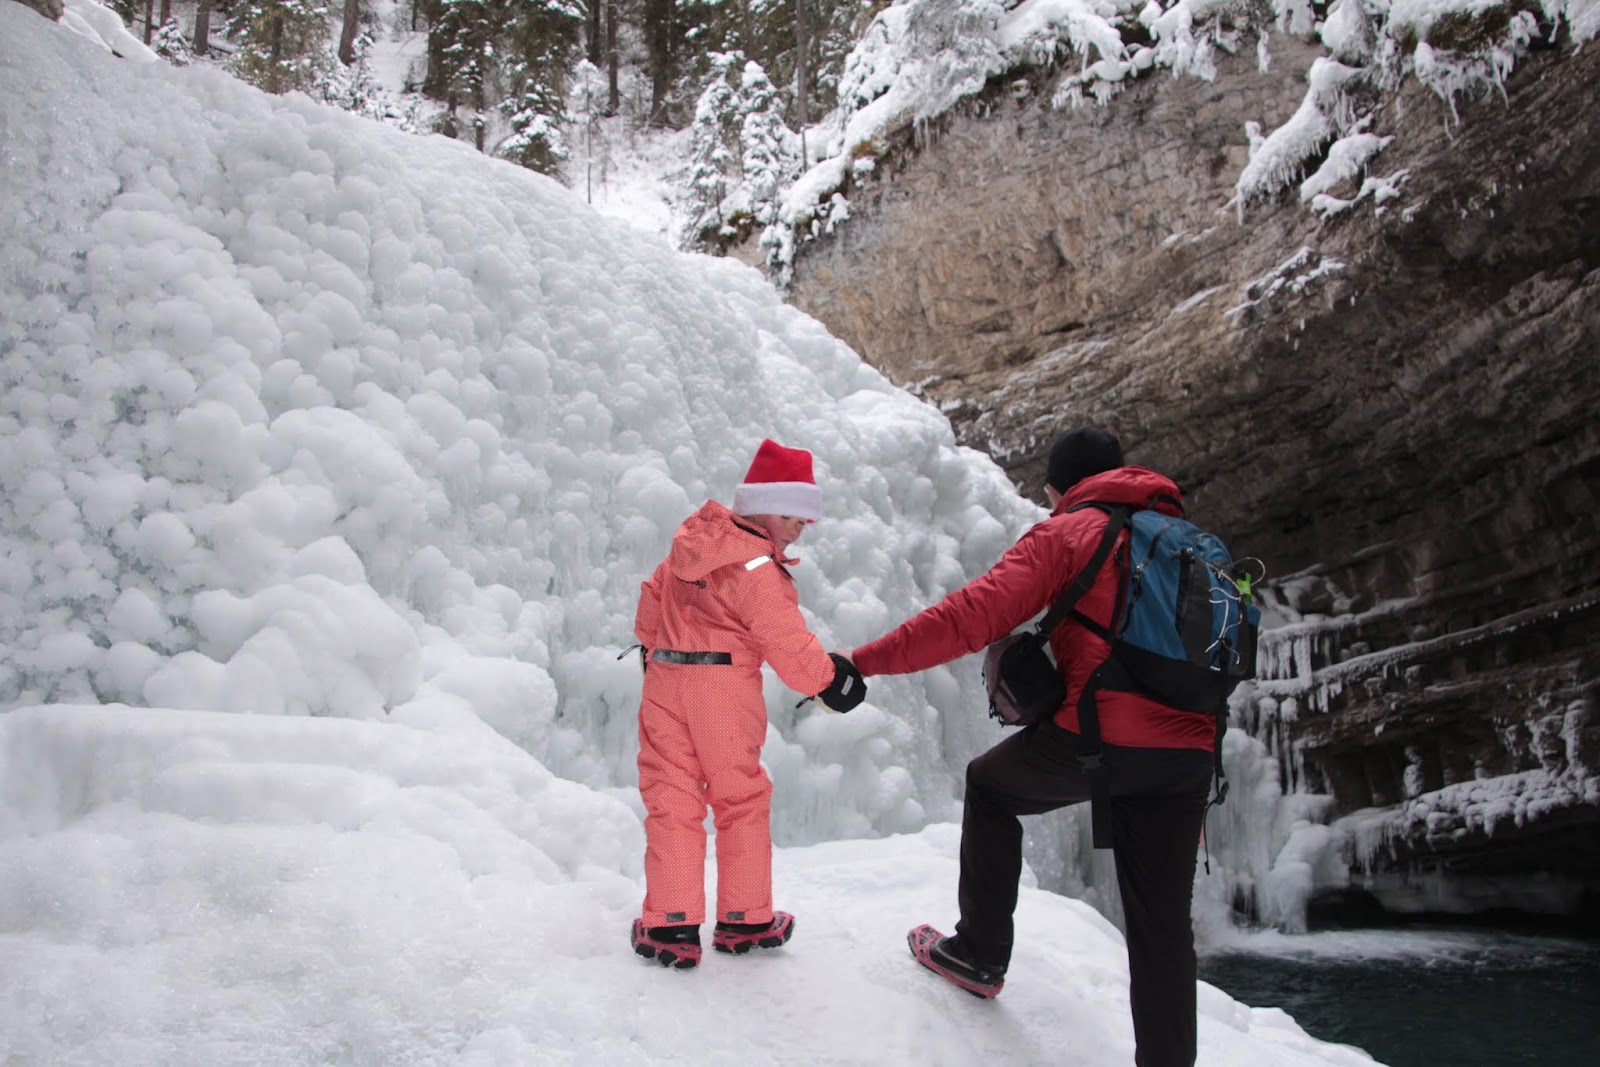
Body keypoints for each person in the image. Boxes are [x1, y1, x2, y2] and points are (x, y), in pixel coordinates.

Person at [847, 427, 1214, 1067]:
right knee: (1162, 927)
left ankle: (979, 953)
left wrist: (863, 660)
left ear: (1057, 489)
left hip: (1100, 735)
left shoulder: (1069, 532)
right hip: (1188, 753)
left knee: (990, 787)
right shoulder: (1190, 545)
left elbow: (969, 616)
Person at [630, 438, 866, 970]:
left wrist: (654, 650)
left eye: (804, 522)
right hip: (723, 687)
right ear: (757, 506)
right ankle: (744, 918)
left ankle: (671, 925)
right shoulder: (756, 567)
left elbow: (650, 597)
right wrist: (830, 681)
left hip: (665, 680)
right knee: (739, 798)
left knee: (671, 799)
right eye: (789, 515)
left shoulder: (687, 545)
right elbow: (784, 638)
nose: (796, 528)